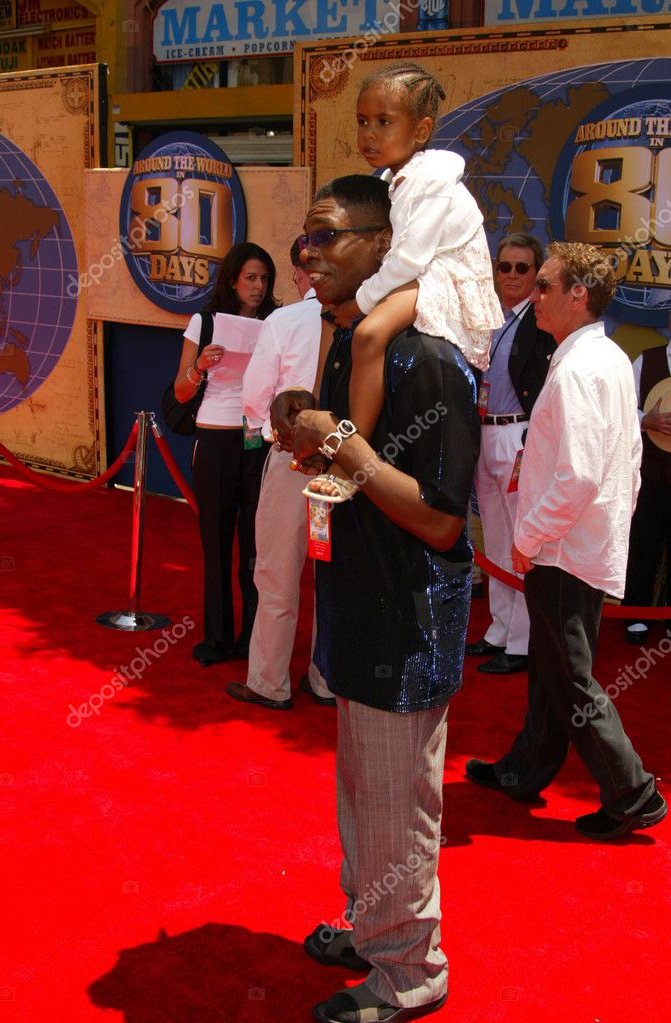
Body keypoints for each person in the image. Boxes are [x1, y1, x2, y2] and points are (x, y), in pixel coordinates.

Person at [283, 174, 479, 1022]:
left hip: (407, 618)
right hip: (357, 599)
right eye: (306, 237)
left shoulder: (430, 357)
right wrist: (312, 436)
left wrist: (339, 445)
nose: (308, 253)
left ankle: (409, 970)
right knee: (363, 791)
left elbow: (439, 520)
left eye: (327, 236)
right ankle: (375, 925)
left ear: (381, 243)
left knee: (400, 804)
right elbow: (344, 464)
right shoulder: (351, 339)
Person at [466, 241, 667, 841]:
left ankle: (634, 794)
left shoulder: (580, 367)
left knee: (571, 678)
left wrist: (529, 536)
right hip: (581, 542)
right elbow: (617, 459)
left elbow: (579, 473)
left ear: (578, 296)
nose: (534, 294)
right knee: (554, 670)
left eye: (545, 284)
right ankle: (525, 771)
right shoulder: (600, 358)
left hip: (564, 548)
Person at [304, 61, 501, 504]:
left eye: (384, 122)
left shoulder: (429, 180)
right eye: (362, 122)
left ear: (422, 129)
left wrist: (361, 301)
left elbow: (409, 258)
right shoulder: (396, 179)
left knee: (369, 333)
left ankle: (352, 455)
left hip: (444, 277)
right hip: (423, 274)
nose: (369, 134)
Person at [225, 242, 335, 710]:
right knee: (331, 572)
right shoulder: (364, 321)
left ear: (298, 272)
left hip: (292, 461)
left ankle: (269, 682)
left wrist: (267, 430)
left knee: (275, 574)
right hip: (342, 466)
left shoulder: (285, 321)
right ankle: (327, 679)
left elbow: (256, 395)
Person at [172, 242, 279, 667]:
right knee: (216, 543)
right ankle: (216, 638)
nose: (258, 286)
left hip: (257, 439)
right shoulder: (205, 320)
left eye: (264, 279)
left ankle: (252, 638)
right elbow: (180, 390)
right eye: (250, 278)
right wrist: (200, 367)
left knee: (255, 548)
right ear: (232, 279)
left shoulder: (275, 321)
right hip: (214, 436)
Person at [466, 233, 556, 675]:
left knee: (521, 540)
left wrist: (532, 443)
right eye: (505, 267)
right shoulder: (491, 318)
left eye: (523, 268)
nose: (513, 276)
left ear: (538, 274)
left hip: (519, 435)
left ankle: (521, 642)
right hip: (484, 433)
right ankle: (500, 628)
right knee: (497, 538)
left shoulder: (540, 321)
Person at [622, 316, 671, 645]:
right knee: (643, 542)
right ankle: (635, 612)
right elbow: (624, 410)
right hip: (651, 471)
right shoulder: (646, 360)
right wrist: (647, 419)